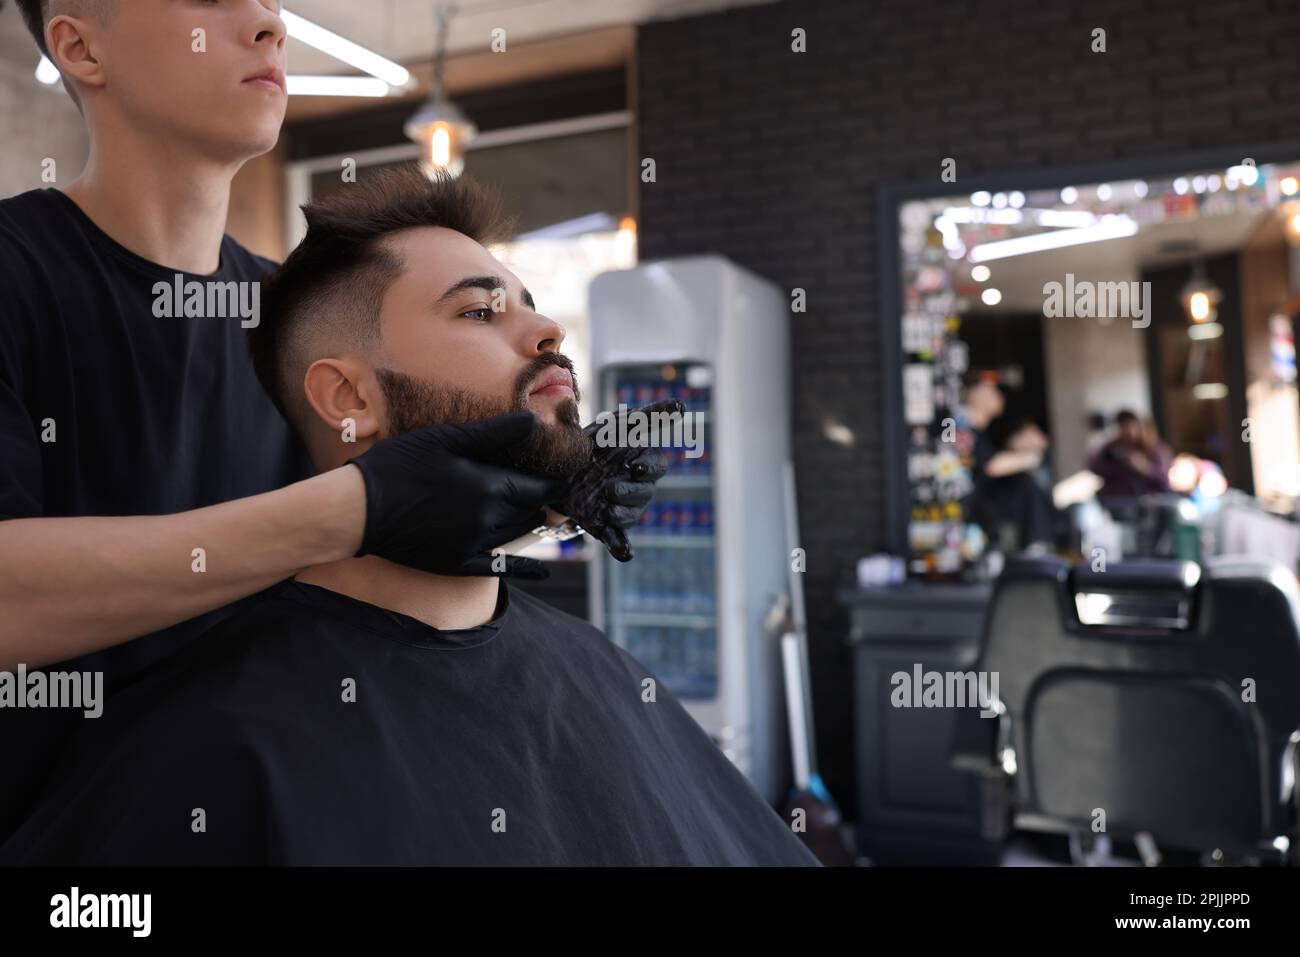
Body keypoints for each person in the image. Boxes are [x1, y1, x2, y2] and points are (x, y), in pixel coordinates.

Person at [0, 168, 819, 866]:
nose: (548, 331)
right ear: (350, 398)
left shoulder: (597, 675)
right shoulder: (211, 751)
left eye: (530, 304)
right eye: (477, 311)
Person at [0, 0, 662, 840]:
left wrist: (536, 480)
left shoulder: (288, 322)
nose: (270, 24)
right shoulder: (16, 277)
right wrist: (358, 507)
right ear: (79, 46)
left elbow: (402, 504)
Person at [962, 371, 1056, 549]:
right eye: (991, 391)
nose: (998, 396)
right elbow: (991, 465)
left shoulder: (979, 434)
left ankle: (1040, 543)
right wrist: (1030, 458)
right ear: (974, 395)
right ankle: (1037, 545)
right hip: (967, 513)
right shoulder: (956, 424)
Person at [1087, 410, 1171, 499]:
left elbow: (1164, 479)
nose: (1129, 431)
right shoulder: (1111, 448)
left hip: (1150, 501)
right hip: (1119, 501)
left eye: (1131, 426)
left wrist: (1145, 467)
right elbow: (1093, 467)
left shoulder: (1154, 448)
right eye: (1123, 426)